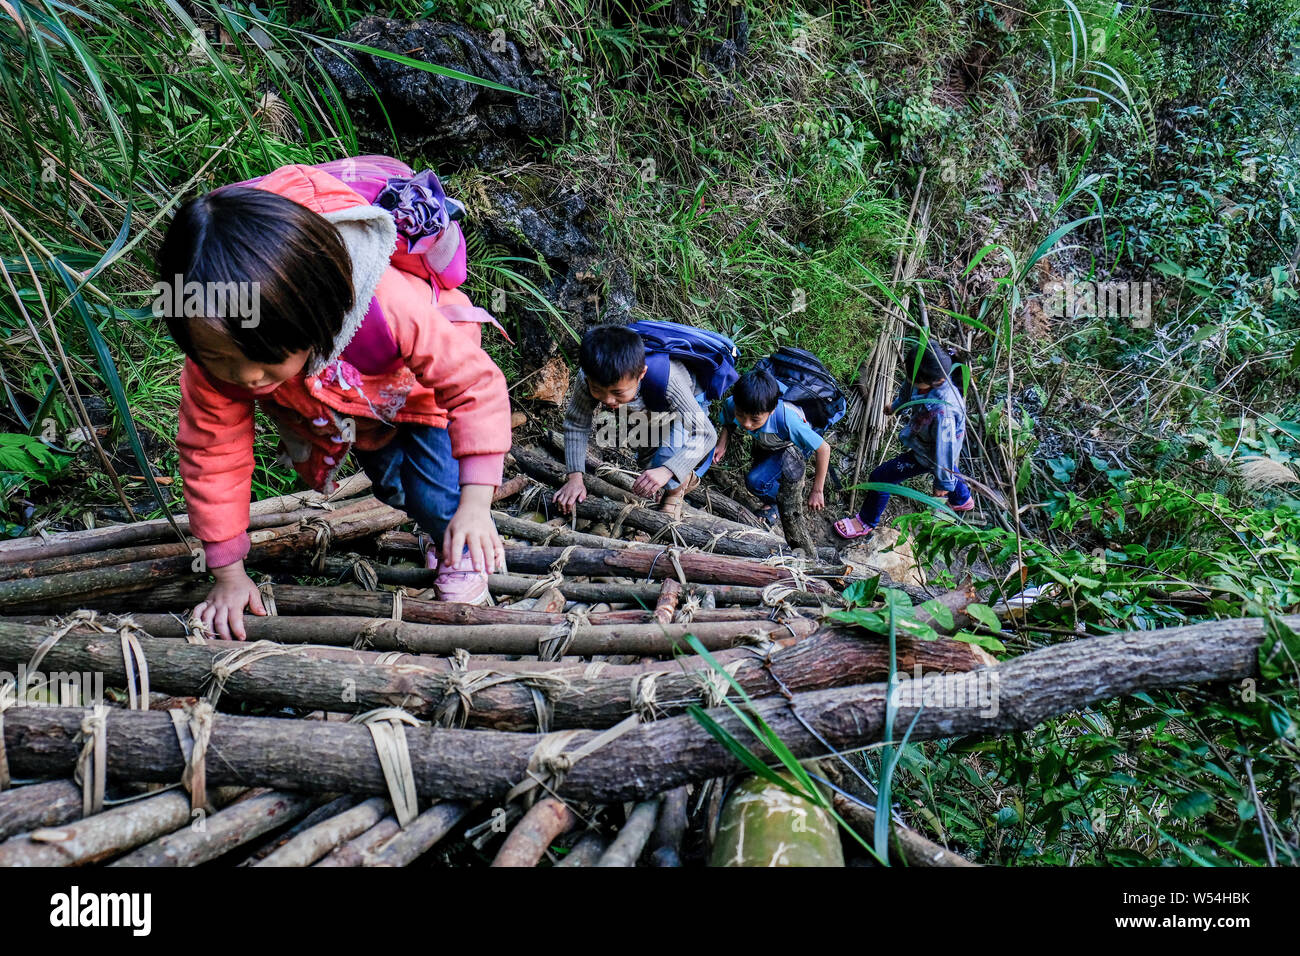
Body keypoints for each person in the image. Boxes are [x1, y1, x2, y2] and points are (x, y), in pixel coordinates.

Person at [157, 162, 512, 639]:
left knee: (438, 494)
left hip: (427, 393)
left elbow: (473, 385)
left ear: (317, 315)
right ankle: (436, 523)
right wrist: (229, 574)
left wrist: (476, 505)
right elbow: (212, 455)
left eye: (265, 360)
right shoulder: (215, 356)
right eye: (221, 359)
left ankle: (461, 547)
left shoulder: (386, 304)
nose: (246, 379)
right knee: (394, 488)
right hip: (357, 407)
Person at [555, 324, 717, 519]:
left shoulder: (668, 380)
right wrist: (574, 478)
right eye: (598, 391)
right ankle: (672, 473)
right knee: (648, 464)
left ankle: (677, 491)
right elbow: (576, 424)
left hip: (689, 398)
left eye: (617, 392)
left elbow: (706, 434)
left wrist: (668, 471)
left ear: (641, 374)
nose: (607, 400)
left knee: (665, 464)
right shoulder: (590, 377)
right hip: (652, 405)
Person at [834, 342, 974, 540]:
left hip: (930, 452)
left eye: (914, 379)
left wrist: (942, 483)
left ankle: (866, 521)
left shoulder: (945, 411)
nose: (910, 379)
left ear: (938, 380)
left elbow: (945, 451)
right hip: (927, 441)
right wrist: (897, 406)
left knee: (881, 478)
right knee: (946, 467)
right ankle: (961, 499)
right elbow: (909, 389)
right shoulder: (922, 374)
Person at [713, 368, 829, 554]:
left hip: (790, 447)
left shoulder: (788, 420)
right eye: (741, 415)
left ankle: (779, 501)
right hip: (768, 440)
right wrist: (722, 443)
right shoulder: (735, 404)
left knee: (756, 482)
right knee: (761, 470)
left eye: (754, 419)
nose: (746, 423)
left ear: (771, 410)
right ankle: (777, 491)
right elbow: (728, 419)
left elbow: (823, 448)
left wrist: (818, 490)